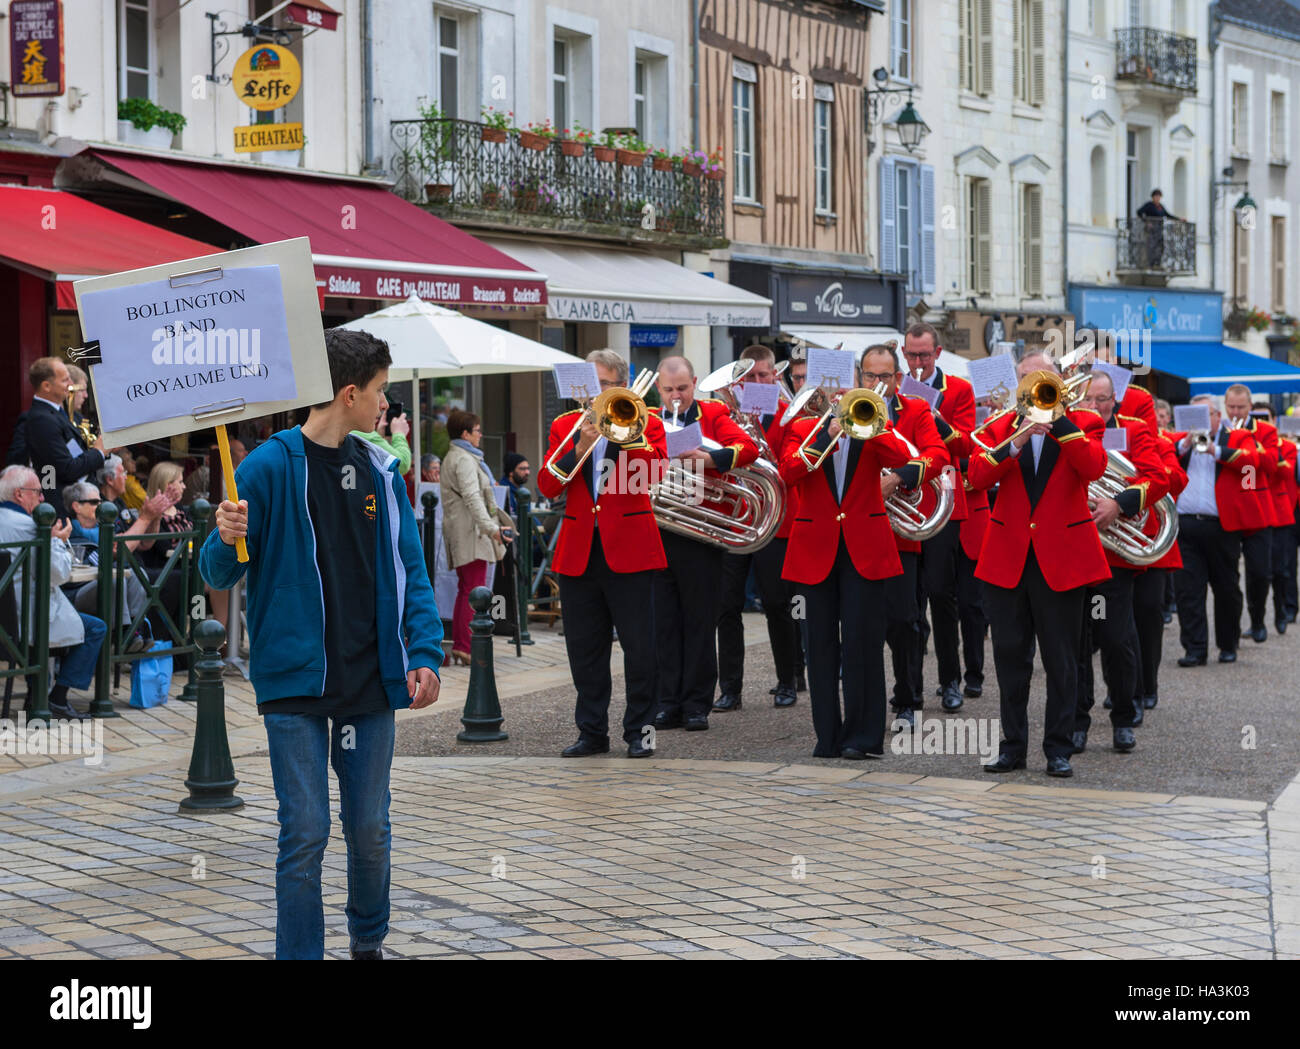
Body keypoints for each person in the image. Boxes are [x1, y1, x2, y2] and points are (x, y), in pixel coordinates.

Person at [199, 327, 443, 961]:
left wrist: (423, 652)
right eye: (383, 394)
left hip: (369, 680)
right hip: (295, 682)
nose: (385, 408)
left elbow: (409, 567)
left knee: (368, 829)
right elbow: (216, 573)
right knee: (304, 832)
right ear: (350, 392)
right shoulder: (267, 466)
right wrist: (225, 537)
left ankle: (368, 943)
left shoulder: (380, 471)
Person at [969, 352, 1109, 778]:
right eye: (1027, 379)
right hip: (1008, 559)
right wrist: (1013, 442)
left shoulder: (1084, 422)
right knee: (1011, 659)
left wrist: (1058, 422)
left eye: (1042, 380)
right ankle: (1012, 748)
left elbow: (1093, 466)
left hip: (1061, 559)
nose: (1034, 387)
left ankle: (1058, 748)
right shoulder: (998, 426)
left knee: (1061, 659)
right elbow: (975, 477)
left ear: (1059, 381)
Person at [536, 348, 667, 758]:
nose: (599, 394)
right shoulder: (564, 425)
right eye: (593, 385)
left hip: (630, 549)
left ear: (622, 386)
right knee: (584, 647)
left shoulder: (647, 420)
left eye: (607, 385)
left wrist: (624, 435)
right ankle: (591, 731)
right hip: (579, 550)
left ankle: (640, 732)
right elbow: (546, 485)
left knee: (641, 648)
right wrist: (578, 449)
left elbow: (656, 472)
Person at [777, 369, 913, 759]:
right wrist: (828, 432)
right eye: (832, 389)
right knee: (819, 647)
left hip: (865, 548)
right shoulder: (802, 427)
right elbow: (790, 472)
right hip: (815, 547)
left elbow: (904, 461)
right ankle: (828, 737)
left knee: (863, 644)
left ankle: (864, 738)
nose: (839, 395)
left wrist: (870, 425)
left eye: (846, 389)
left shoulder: (872, 423)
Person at [651, 355, 759, 733]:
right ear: (658, 389)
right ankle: (667, 703)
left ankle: (697, 705)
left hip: (702, 532)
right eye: (669, 390)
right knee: (663, 622)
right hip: (661, 530)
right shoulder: (648, 417)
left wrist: (710, 457)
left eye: (683, 389)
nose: (676, 397)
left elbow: (748, 448)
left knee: (699, 621)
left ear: (694, 382)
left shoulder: (712, 413)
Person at [1070, 372, 1168, 755]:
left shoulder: (1134, 429)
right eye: (1088, 401)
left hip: (1113, 556)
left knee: (1115, 638)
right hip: (1074, 551)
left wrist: (1118, 504)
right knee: (1076, 643)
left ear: (1116, 400)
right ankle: (1076, 722)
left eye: (1103, 400)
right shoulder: (1067, 427)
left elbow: (1157, 478)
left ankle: (1123, 717)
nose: (1095, 408)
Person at [856, 343, 948, 730]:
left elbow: (938, 455)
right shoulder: (847, 407)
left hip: (899, 532)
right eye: (870, 376)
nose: (877, 383)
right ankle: (863, 704)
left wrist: (898, 477)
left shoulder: (916, 410)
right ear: (861, 377)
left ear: (898, 378)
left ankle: (908, 697)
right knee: (861, 622)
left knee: (903, 620)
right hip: (858, 531)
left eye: (885, 376)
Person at [902, 321, 984, 712]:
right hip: (905, 500)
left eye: (924, 355)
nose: (917, 362)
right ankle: (911, 686)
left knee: (942, 595)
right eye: (911, 354)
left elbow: (967, 445)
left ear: (937, 354)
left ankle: (951, 679)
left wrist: (934, 417)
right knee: (909, 602)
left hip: (946, 502)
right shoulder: (895, 388)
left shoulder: (960, 390)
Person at [715, 344, 802, 712]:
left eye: (763, 376)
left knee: (778, 603)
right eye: (748, 377)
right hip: (736, 517)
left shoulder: (789, 415)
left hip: (777, 520)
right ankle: (731, 688)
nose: (756, 382)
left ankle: (788, 680)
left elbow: (794, 465)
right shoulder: (727, 416)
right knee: (727, 605)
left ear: (775, 377)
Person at [0, 466, 107, 721]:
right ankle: (56, 699)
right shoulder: (30, 526)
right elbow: (59, 573)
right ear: (18, 494)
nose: (42, 498)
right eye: (37, 492)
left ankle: (36, 694)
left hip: (7, 620)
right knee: (95, 628)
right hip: (26, 618)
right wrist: (56, 541)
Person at [1170, 393, 1264, 665]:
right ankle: (1195, 649)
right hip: (1186, 524)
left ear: (1217, 416)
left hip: (1221, 526)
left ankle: (1227, 643)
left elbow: (1252, 463)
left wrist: (1216, 450)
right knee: (1188, 591)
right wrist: (1186, 445)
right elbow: (1161, 460)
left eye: (1205, 415)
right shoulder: (1180, 440)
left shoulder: (1236, 436)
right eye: (1194, 415)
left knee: (1226, 589)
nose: (1199, 421)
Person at [441, 410, 513, 664]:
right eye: (477, 430)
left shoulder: (461, 457)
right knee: (474, 591)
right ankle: (468, 646)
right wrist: (490, 528)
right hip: (471, 533)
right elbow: (472, 497)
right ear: (465, 434)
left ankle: (463, 645)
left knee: (467, 590)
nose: (481, 434)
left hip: (467, 530)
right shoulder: (463, 459)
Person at [1224, 385, 1278, 643]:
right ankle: (1231, 629)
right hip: (1229, 509)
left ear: (1250, 407)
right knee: (1228, 576)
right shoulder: (1220, 430)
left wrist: (1249, 444)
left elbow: (1270, 465)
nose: (1235, 412)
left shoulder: (1265, 430)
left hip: (1257, 509)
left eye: (1240, 408)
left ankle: (1258, 618)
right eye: (1231, 407)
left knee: (1259, 572)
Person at [22, 357, 107, 518]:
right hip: (62, 509)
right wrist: (99, 451)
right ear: (46, 386)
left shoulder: (57, 413)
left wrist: (102, 451)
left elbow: (75, 454)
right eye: (65, 380)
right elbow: (66, 469)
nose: (71, 384)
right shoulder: (42, 419)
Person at [353, 405, 412, 476]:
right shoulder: (365, 434)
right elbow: (402, 464)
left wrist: (380, 437)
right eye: (377, 394)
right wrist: (399, 434)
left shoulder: (350, 431)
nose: (385, 404)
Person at [1136, 189, 1178, 268]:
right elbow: (1139, 212)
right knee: (1151, 246)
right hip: (1151, 230)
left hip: (1159, 229)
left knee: (1160, 246)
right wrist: (1146, 221)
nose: (1157, 198)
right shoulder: (1149, 205)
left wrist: (1179, 219)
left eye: (1159, 196)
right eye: (1156, 196)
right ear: (1153, 197)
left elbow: (1168, 215)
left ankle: (1157, 263)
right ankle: (1150, 264)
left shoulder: (1161, 207)